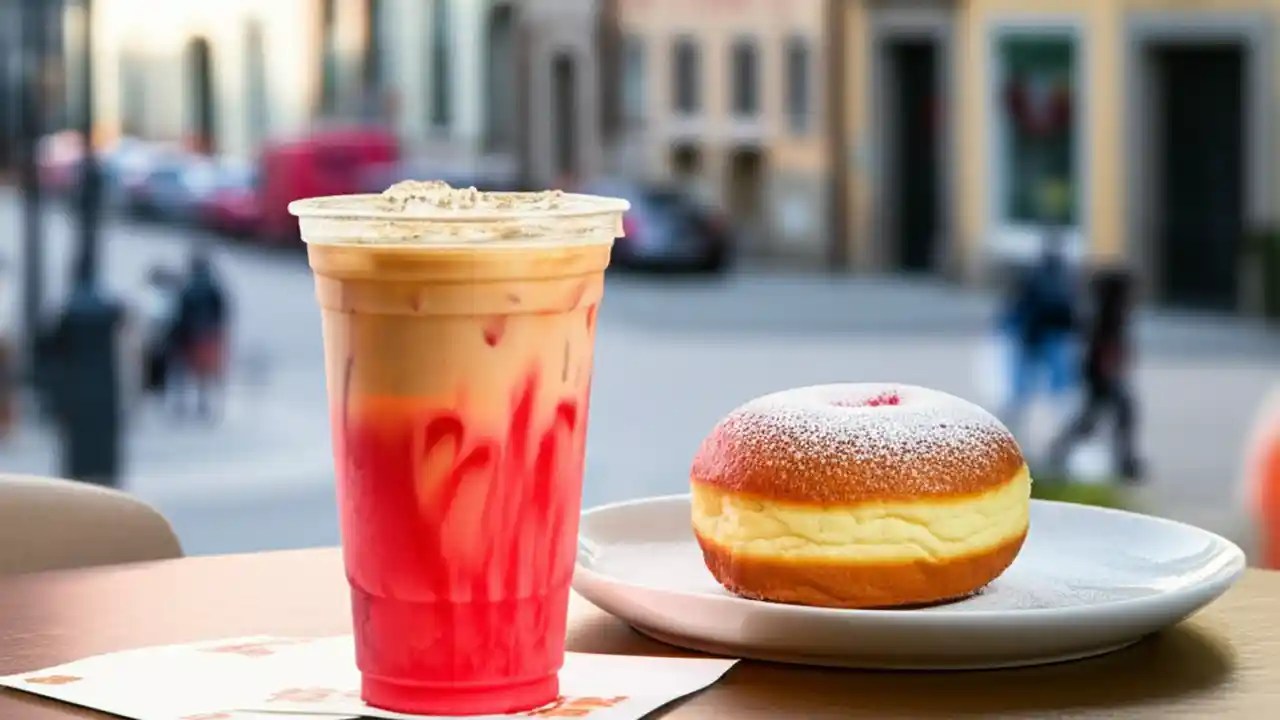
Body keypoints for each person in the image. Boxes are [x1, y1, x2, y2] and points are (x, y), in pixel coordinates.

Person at [1047, 268, 1143, 482]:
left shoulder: (1106, 312)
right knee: (1114, 415)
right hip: (1102, 373)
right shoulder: (1109, 314)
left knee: (1096, 417)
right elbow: (1104, 346)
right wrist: (1110, 370)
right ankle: (1124, 462)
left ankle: (1060, 451)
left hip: (1099, 371)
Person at [998, 227, 1078, 439]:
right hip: (1041, 335)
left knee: (1044, 384)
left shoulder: (1048, 275)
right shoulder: (1057, 277)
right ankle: (1017, 419)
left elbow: (1019, 306)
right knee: (1037, 384)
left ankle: (1021, 419)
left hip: (1044, 335)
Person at [170, 251, 229, 420]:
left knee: (183, 370)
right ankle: (202, 404)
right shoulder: (212, 287)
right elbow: (221, 312)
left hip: (189, 334)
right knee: (202, 373)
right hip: (207, 335)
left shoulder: (189, 287)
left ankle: (182, 404)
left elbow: (181, 311)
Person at [139, 266, 179, 398]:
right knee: (157, 359)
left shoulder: (157, 295)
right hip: (160, 332)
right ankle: (155, 384)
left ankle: (155, 384)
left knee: (157, 359)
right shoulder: (162, 295)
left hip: (158, 332)